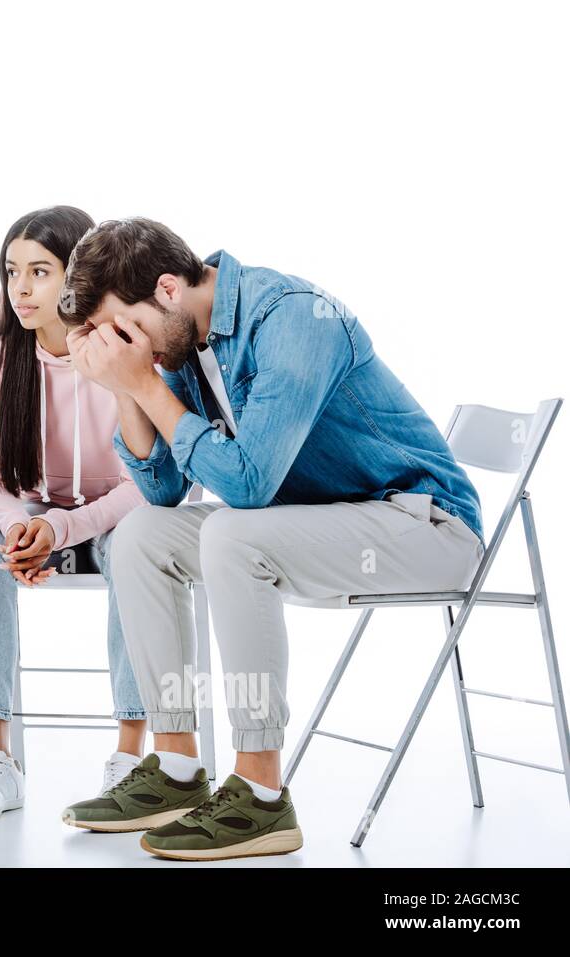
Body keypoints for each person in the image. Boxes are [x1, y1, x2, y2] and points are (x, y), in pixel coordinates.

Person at [59, 218, 483, 860]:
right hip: (325, 520)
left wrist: (142, 382)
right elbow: (163, 491)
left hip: (424, 526)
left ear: (168, 289)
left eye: (126, 331)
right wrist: (127, 387)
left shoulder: (291, 316)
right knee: (141, 535)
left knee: (231, 534)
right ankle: (175, 769)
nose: (128, 349)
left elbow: (248, 485)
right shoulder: (181, 338)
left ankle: (261, 794)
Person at [0, 206, 165, 827]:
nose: (20, 288)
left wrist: (59, 530)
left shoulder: (127, 351)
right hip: (36, 515)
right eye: (11, 271)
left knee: (137, 547)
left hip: (114, 521)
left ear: (76, 277)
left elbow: (145, 486)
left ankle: (130, 757)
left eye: (39, 272)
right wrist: (19, 527)